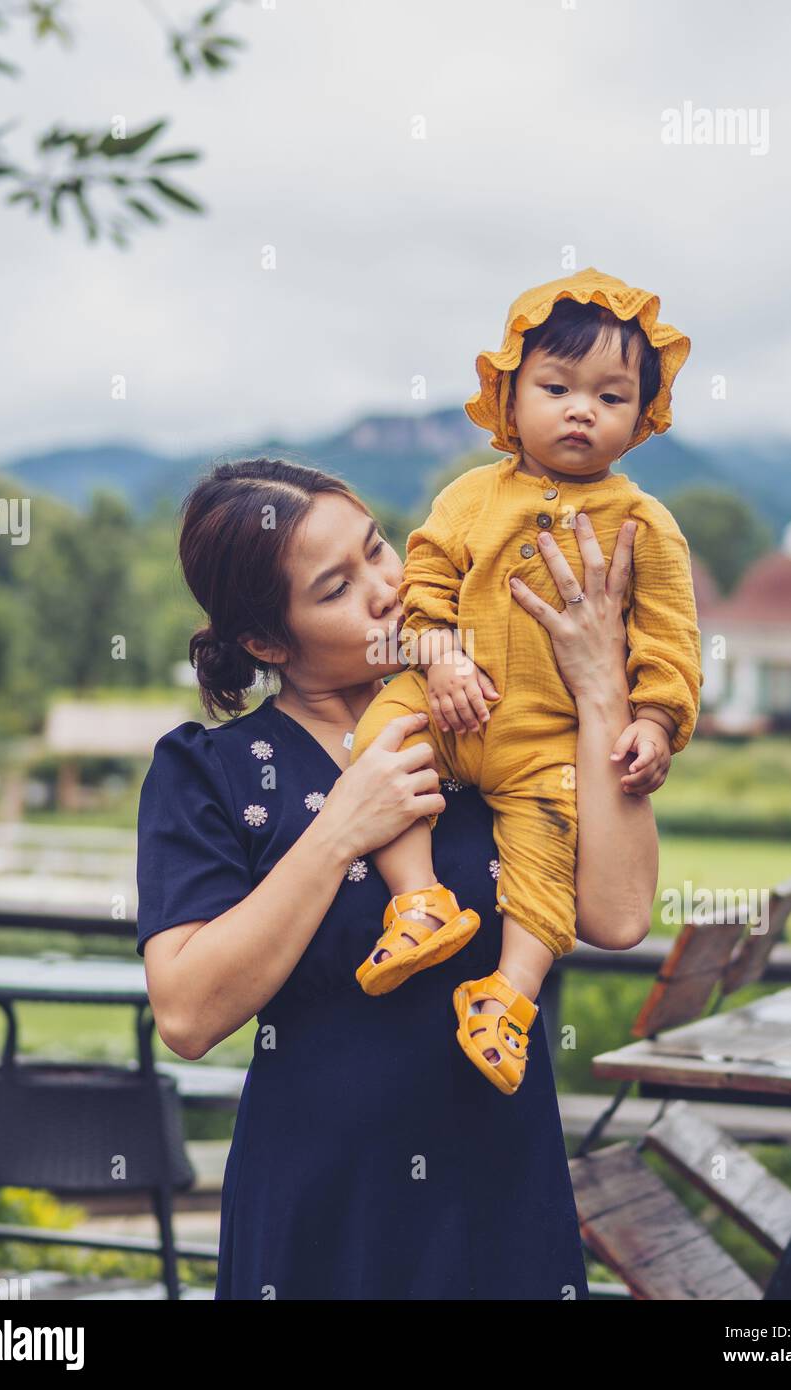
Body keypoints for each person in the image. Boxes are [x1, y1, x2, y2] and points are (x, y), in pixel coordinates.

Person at [136, 454, 659, 1300]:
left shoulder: (484, 727)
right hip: (323, 1214)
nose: (384, 589)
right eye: (335, 588)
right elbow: (188, 1013)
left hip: (500, 1194)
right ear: (268, 642)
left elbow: (620, 913)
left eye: (378, 550)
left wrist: (601, 691)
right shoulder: (213, 772)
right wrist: (343, 826)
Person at [347, 268, 703, 1095]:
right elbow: (423, 586)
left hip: (547, 743)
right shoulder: (469, 497)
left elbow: (671, 640)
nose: (581, 409)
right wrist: (436, 659)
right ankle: (419, 901)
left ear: (642, 418)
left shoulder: (644, 523)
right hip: (447, 706)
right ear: (509, 398)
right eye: (556, 387)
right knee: (381, 741)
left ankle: (506, 995)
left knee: (545, 856)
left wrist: (652, 721)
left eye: (611, 397)